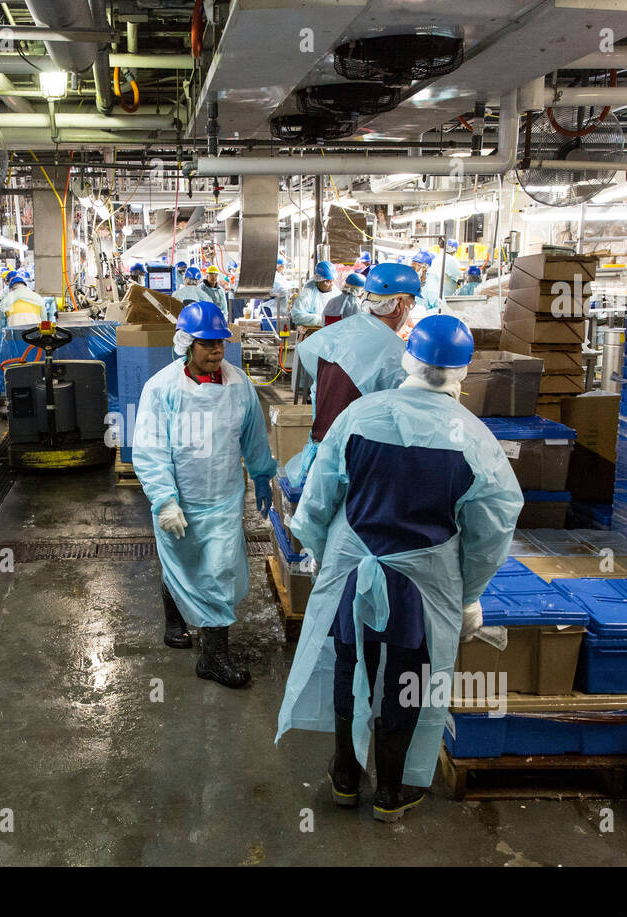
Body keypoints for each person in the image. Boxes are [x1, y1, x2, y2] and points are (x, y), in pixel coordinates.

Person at [276, 314, 522, 822]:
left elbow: (319, 498)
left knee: (349, 664)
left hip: (354, 571)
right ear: (462, 373)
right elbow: (494, 525)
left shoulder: (361, 416)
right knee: (408, 679)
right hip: (424, 586)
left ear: (407, 359)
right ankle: (391, 790)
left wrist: (323, 553)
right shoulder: (473, 439)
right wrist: (470, 593)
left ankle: (345, 776)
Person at [132, 301, 277, 689]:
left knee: (217, 572)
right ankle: (175, 619)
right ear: (186, 343)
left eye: (221, 343)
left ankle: (212, 657)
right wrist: (164, 500)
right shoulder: (161, 388)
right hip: (182, 497)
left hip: (224, 497)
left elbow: (253, 436)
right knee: (181, 557)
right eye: (208, 343)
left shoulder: (238, 385)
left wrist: (262, 474)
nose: (217, 351)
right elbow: (150, 448)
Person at [284, 262, 420, 483]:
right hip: (359, 468)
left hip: (321, 458)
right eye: (410, 306)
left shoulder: (335, 335)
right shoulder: (397, 354)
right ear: (398, 307)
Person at [290, 260, 339, 392]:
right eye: (326, 281)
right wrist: (318, 319)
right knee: (310, 372)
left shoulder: (337, 293)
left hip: (330, 339)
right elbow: (297, 315)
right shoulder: (309, 291)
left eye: (331, 281)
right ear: (318, 280)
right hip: (311, 337)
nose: (329, 284)